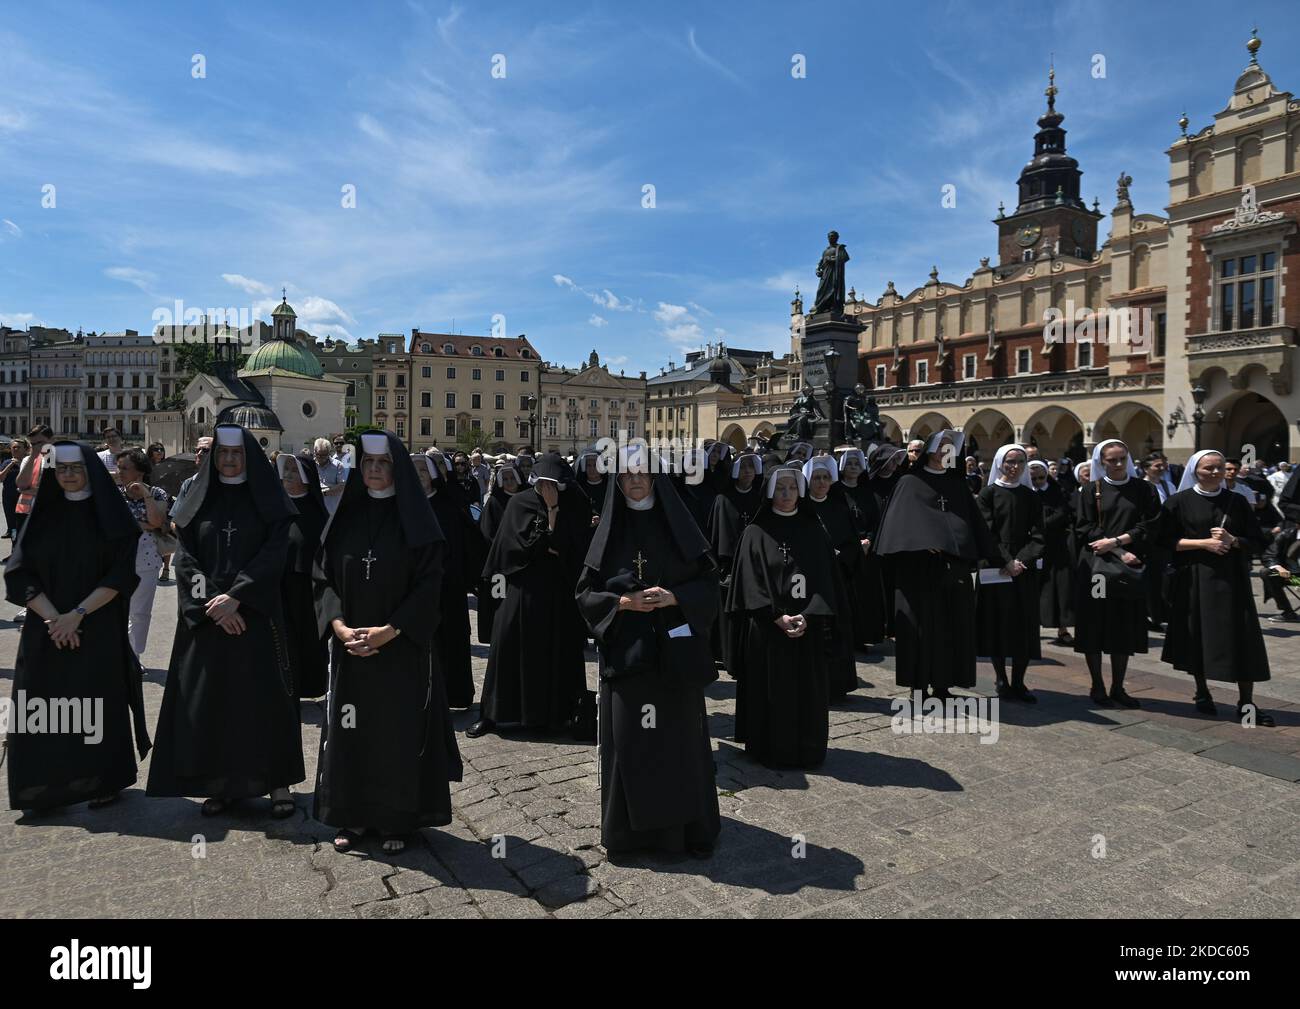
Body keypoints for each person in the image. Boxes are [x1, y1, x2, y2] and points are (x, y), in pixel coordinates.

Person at [314, 432, 463, 854]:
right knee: (350, 731)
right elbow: (322, 578)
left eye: (382, 464)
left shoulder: (416, 522)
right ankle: (352, 815)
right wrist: (339, 626)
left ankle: (399, 818)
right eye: (368, 464)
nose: (375, 471)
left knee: (397, 734)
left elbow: (429, 584)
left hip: (400, 650)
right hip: (350, 650)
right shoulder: (345, 518)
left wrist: (390, 631)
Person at [147, 424, 303, 819]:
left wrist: (238, 598)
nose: (229, 460)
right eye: (222, 455)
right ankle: (219, 783)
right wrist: (211, 604)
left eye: (236, 454)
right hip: (209, 620)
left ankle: (276, 782)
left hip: (256, 617)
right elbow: (185, 558)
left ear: (247, 457)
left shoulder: (269, 501)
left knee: (263, 702)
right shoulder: (200, 500)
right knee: (214, 703)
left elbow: (274, 554)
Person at [576, 446, 721, 856]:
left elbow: (710, 586)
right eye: (627, 475)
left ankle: (684, 833)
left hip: (674, 659)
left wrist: (675, 596)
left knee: (680, 745)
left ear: (654, 478)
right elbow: (585, 594)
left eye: (641, 473)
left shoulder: (679, 527)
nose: (635, 480)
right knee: (631, 743)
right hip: (629, 658)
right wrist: (623, 604)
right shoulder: (609, 532)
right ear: (618, 482)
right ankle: (629, 835)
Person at [4, 442, 151, 811]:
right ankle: (44, 784)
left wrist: (77, 615)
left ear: (90, 471)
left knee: (95, 700)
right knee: (44, 705)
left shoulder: (111, 516)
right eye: (61, 469)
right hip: (46, 625)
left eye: (76, 469)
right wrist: (54, 618)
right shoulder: (43, 514)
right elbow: (19, 572)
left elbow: (121, 573)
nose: (68, 476)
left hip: (95, 622)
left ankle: (102, 779)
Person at [874, 430, 1001, 699]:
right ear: (930, 449)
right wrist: (922, 542)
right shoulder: (909, 481)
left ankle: (943, 685)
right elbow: (899, 525)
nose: (946, 451)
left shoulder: (957, 485)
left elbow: (973, 525)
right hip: (917, 569)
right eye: (941, 446)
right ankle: (918, 686)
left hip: (952, 570)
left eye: (951, 447)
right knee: (919, 628)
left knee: (950, 627)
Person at [470, 451, 589, 738]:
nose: (548, 490)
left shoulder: (575, 503)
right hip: (522, 590)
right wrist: (547, 538)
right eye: (543, 484)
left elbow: (570, 549)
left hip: (559, 592)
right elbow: (514, 549)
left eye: (553, 484)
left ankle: (562, 715)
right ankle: (492, 715)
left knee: (560, 651)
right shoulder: (519, 503)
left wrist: (553, 514)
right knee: (505, 645)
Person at [727, 467, 839, 768]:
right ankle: (767, 748)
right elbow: (748, 582)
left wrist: (809, 615)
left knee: (806, 692)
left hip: (807, 629)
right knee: (769, 691)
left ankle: (807, 748)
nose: (787, 493)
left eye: (792, 487)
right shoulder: (754, 532)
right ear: (770, 492)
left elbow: (826, 580)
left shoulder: (814, 530)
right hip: (767, 629)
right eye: (781, 488)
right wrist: (775, 615)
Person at [1159, 450, 1274, 726]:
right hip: (1195, 578)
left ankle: (1246, 703)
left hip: (1232, 580)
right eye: (1208, 468)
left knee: (1243, 639)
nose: (1214, 472)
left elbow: (1257, 542)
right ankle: (1202, 692)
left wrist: (1234, 540)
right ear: (1194, 471)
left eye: (1219, 468)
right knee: (1198, 635)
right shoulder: (1178, 502)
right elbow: (1164, 542)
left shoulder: (1237, 502)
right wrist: (1202, 544)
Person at [1073, 439, 1162, 708]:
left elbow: (1152, 525)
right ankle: (1097, 684)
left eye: (1122, 458)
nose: (1119, 464)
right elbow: (1084, 527)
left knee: (1122, 629)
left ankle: (1118, 686)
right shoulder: (1091, 490)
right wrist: (1117, 549)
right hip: (1097, 568)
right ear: (1102, 462)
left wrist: (1120, 542)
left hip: (1129, 568)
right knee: (1094, 625)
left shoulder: (1144, 489)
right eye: (1112, 460)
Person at [976, 445, 1045, 702]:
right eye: (1010, 462)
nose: (1014, 467)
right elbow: (986, 533)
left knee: (1023, 626)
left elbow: (1039, 535)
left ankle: (1019, 681)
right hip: (996, 568)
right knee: (998, 625)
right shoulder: (988, 494)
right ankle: (1001, 678)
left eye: (1019, 462)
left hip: (1022, 569)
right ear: (999, 464)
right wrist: (1006, 561)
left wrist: (1020, 561)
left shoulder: (1031, 496)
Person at [413, 453, 482, 709]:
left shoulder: (449, 506)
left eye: (422, 469)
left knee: (450, 643)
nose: (418, 474)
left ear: (432, 476)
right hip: (416, 590)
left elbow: (465, 547)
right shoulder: (406, 505)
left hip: (447, 587)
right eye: (414, 470)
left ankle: (454, 696)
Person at [803, 455, 865, 698]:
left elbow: (852, 545)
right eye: (816, 478)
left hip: (837, 579)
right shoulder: (801, 510)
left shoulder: (840, 509)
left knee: (837, 632)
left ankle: (837, 686)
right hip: (810, 582)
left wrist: (840, 555)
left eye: (825, 478)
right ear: (808, 481)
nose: (821, 482)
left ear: (831, 481)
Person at [277, 453, 329, 699]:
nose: (287, 473)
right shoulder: (276, 509)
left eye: (293, 469)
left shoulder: (319, 516)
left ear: (307, 477)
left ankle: (310, 686)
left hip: (308, 589)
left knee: (307, 638)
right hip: (278, 585)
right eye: (285, 468)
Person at [114, 447, 170, 657]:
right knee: (116, 611)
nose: (120, 472)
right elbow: (112, 523)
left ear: (139, 471)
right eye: (119, 468)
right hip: (116, 560)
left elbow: (157, 522)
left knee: (140, 613)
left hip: (147, 560)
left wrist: (145, 494)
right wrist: (143, 524)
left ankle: (134, 656)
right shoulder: (114, 494)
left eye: (124, 468)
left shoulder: (157, 493)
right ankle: (117, 655)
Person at [477, 461, 522, 644]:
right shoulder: (494, 503)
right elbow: (488, 534)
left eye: (513, 478)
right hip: (500, 567)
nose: (510, 482)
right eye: (506, 478)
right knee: (499, 602)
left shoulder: (527, 499)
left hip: (522, 566)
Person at [1030, 460, 1074, 644]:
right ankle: (1031, 628)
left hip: (1054, 547)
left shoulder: (1057, 491)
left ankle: (1062, 629)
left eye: (1041, 477)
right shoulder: (1026, 492)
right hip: (1030, 548)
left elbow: (1063, 513)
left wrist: (1040, 526)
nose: (1038, 481)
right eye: (1033, 478)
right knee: (1032, 589)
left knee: (1057, 589)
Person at [2, 438, 28, 544]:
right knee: (13, 525)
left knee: (24, 525)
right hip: (9, 498)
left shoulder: (29, 462)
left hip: (25, 498)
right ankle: (14, 549)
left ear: (25, 449)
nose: (15, 449)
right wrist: (10, 465)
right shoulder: (7, 462)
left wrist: (21, 464)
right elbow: (1, 478)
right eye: (13, 447)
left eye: (18, 447)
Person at [314, 437, 348, 515]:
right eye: (318, 454)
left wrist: (323, 493)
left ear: (329, 452)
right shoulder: (311, 464)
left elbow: (342, 485)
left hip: (332, 509)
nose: (320, 458)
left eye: (324, 455)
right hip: (316, 508)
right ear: (314, 451)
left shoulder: (338, 465)